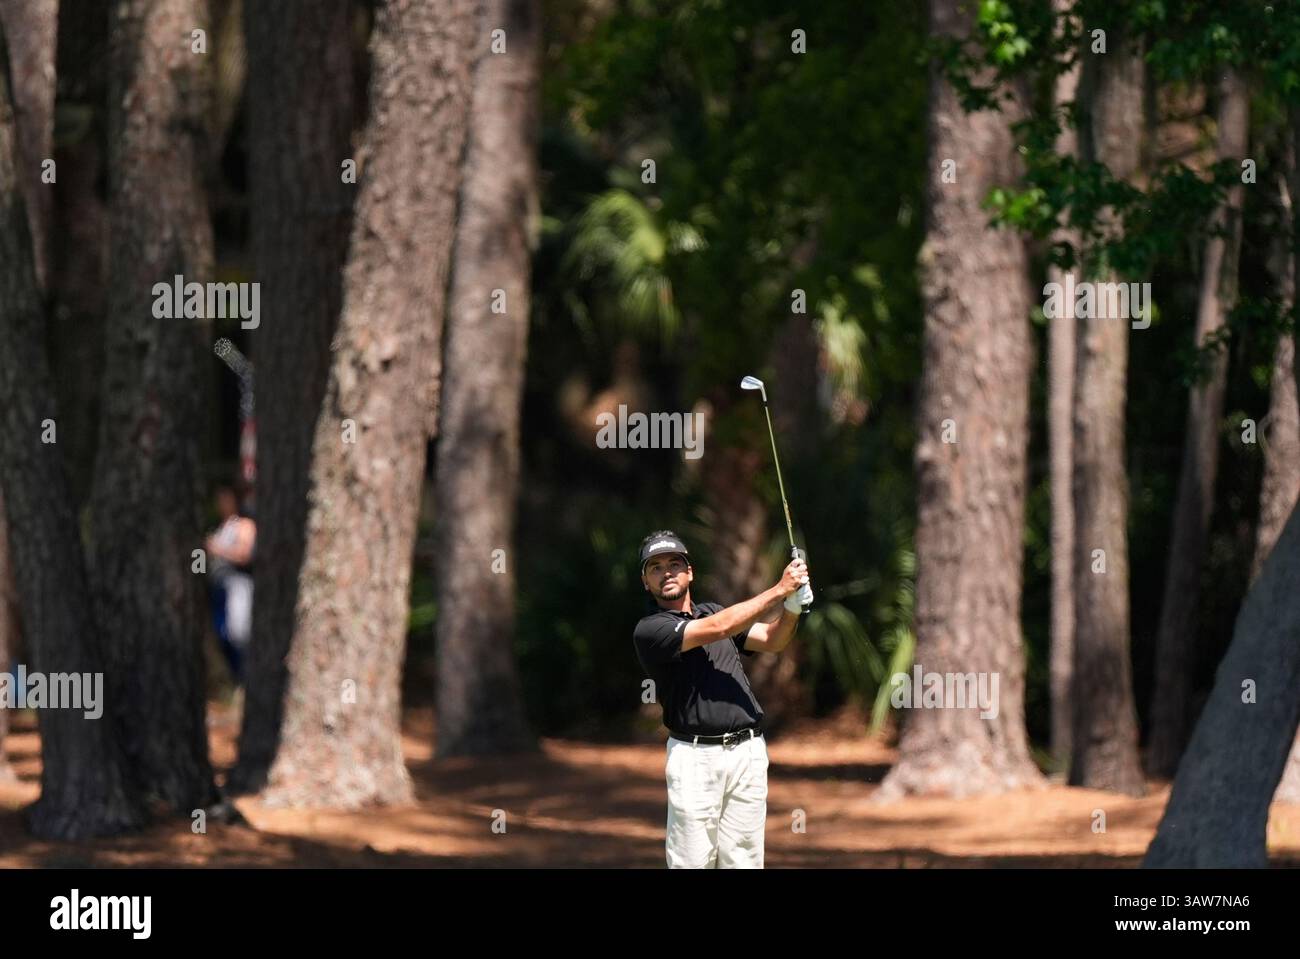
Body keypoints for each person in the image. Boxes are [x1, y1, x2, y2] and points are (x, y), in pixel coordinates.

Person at [632, 530, 811, 868]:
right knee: (692, 861)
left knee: (744, 860)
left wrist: (792, 608)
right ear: (646, 581)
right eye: (655, 567)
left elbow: (772, 640)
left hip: (747, 753)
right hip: (695, 759)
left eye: (674, 564)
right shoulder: (650, 630)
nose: (666, 572)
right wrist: (779, 590)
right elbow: (719, 628)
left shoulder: (712, 611)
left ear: (690, 572)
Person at [205, 485, 256, 685]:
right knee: (221, 635)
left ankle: (246, 678)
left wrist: (218, 549)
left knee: (238, 633)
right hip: (218, 588)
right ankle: (238, 680)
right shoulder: (219, 528)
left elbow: (245, 555)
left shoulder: (243, 525)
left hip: (238, 585)